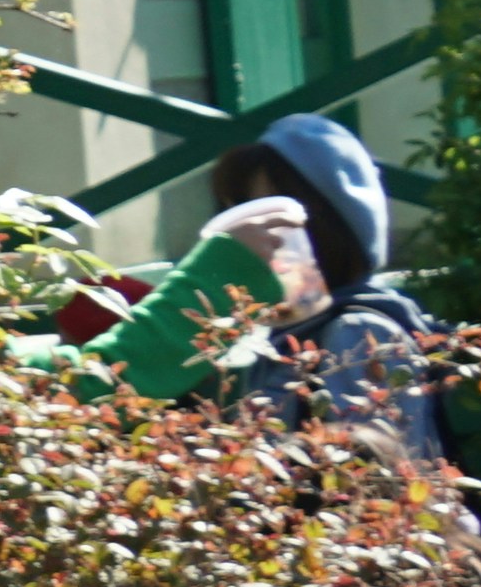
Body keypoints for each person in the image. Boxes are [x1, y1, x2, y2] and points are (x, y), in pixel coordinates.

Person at [78, 109, 448, 464]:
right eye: (241, 211)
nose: (252, 237)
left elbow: (376, 479)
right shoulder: (281, 336)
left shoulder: (357, 332)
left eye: (272, 220)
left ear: (324, 229)